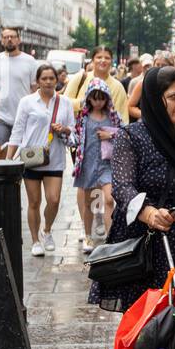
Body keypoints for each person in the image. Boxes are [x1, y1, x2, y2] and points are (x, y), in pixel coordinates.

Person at [89, 66, 175, 311]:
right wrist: (149, 214)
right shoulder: (132, 137)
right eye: (173, 97)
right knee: (146, 321)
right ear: (155, 100)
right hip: (143, 243)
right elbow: (123, 185)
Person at [5, 63, 74, 257]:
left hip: (55, 158)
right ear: (37, 81)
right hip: (32, 158)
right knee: (34, 202)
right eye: (44, 78)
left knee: (53, 200)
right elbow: (18, 130)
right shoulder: (27, 102)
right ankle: (35, 240)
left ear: (57, 80)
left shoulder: (65, 102)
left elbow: (74, 131)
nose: (48, 82)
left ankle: (47, 230)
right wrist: (9, 159)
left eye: (51, 78)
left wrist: (65, 129)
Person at [70, 79, 121, 254]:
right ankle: (88, 236)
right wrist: (64, 133)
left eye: (102, 98)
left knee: (109, 199)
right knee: (89, 203)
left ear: (107, 98)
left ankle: (110, 238)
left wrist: (110, 135)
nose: (98, 102)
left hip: (108, 164)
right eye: (94, 98)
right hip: (88, 164)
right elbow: (76, 138)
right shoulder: (83, 118)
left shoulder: (113, 116)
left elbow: (124, 134)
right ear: (89, 99)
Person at [0, 26, 39, 159]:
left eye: (12, 37)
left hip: (23, 116)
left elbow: (35, 89)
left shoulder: (30, 61)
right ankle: (1, 178)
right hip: (0, 115)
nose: (9, 40)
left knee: (21, 154)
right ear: (1, 41)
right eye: (5, 37)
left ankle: (14, 178)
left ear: (18, 40)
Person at [65, 45, 129, 122]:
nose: (103, 60)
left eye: (107, 58)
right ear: (92, 60)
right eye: (99, 57)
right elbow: (64, 102)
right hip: (77, 130)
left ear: (111, 61)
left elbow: (122, 116)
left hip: (106, 132)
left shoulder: (118, 87)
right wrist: (83, 103)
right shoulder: (80, 78)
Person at [126, 53, 156, 121]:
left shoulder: (157, 80)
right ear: (141, 66)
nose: (148, 68)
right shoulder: (135, 82)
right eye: (146, 66)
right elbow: (130, 105)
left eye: (149, 65)